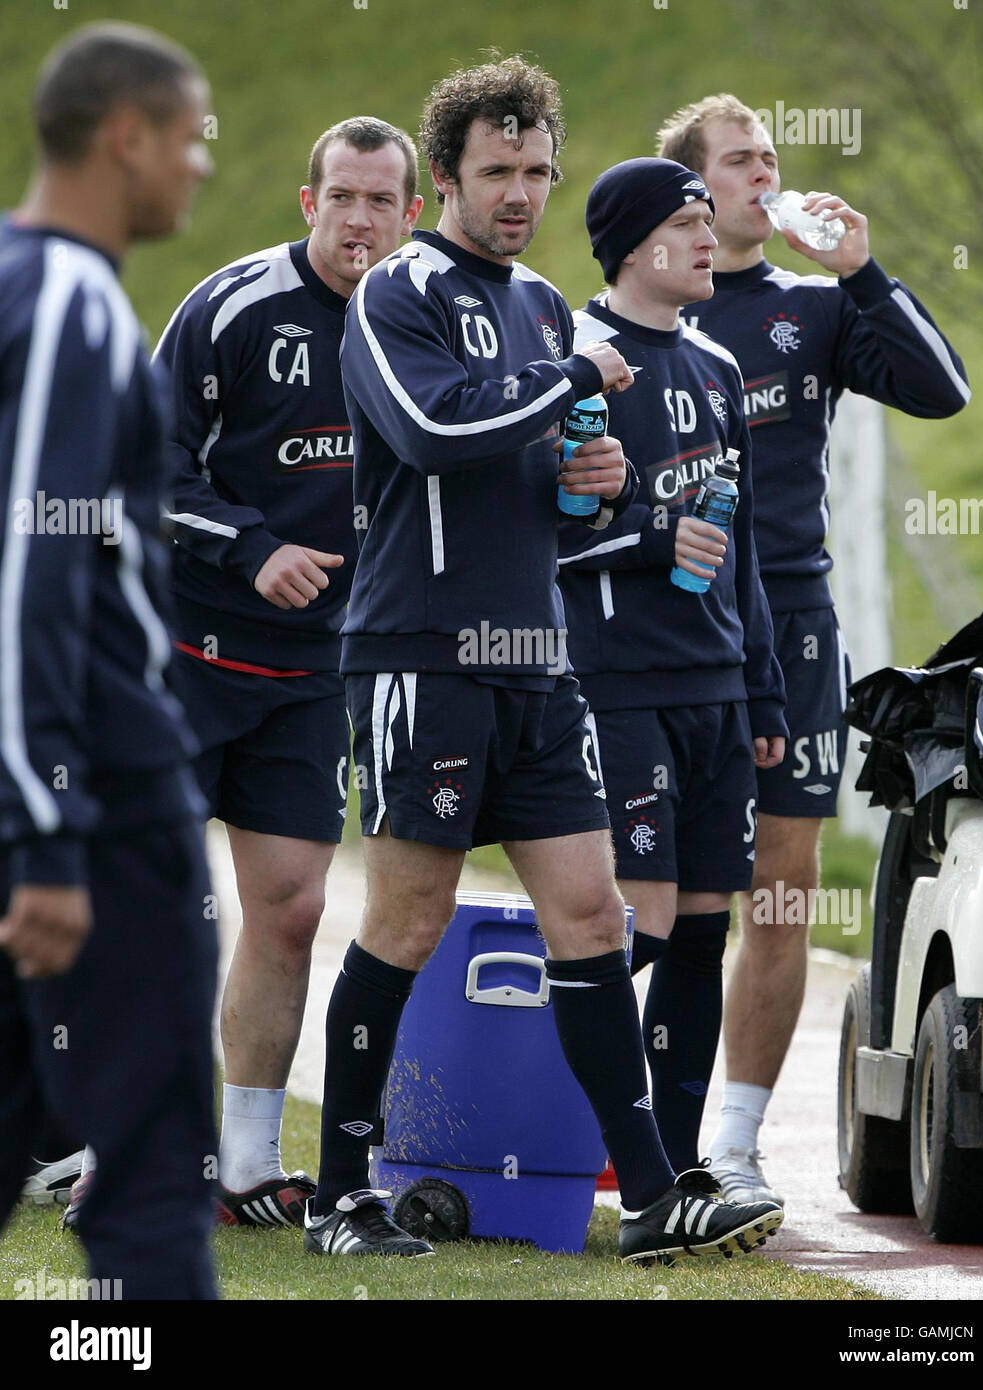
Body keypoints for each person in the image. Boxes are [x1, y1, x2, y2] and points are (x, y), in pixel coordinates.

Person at [306, 56, 785, 1264]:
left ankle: (656, 1194)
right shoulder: (399, 288)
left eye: (535, 172)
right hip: (423, 650)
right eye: (494, 172)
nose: (518, 194)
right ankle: (339, 1195)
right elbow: (430, 429)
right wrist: (569, 380)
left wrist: (591, 487)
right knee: (405, 922)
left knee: (590, 910)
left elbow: (545, 478)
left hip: (539, 659)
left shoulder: (538, 303)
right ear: (446, 182)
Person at [656, 93, 970, 1204]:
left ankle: (734, 1149)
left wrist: (863, 271)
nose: (763, 172)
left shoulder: (812, 307)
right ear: (692, 188)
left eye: (769, 157)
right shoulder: (646, 312)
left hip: (789, 625)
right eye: (739, 159)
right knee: (648, 895)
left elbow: (942, 388)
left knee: (778, 893)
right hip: (661, 625)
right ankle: (637, 1136)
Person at [153, 118, 422, 1226]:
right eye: (342, 197)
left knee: (292, 907)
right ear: (307, 203)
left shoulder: (428, 325)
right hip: (175, 654)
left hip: (316, 675)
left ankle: (247, 1164)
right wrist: (249, 547)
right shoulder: (232, 309)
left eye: (381, 201)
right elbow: (138, 468)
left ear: (412, 213)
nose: (360, 220)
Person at [0, 22, 218, 1298]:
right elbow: (34, 559)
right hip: (95, 791)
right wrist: (47, 826)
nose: (198, 168)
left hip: (46, 784)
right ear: (123, 134)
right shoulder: (73, 295)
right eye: (188, 139)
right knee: (150, 1188)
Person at [556, 158, 787, 1177]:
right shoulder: (572, 353)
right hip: (616, 683)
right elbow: (541, 536)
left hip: (715, 690)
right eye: (687, 222)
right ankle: (504, 1100)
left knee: (701, 929)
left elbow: (741, 552)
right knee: (632, 921)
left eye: (707, 220)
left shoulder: (717, 367)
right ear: (633, 244)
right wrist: (653, 535)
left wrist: (764, 684)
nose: (708, 239)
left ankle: (679, 1164)